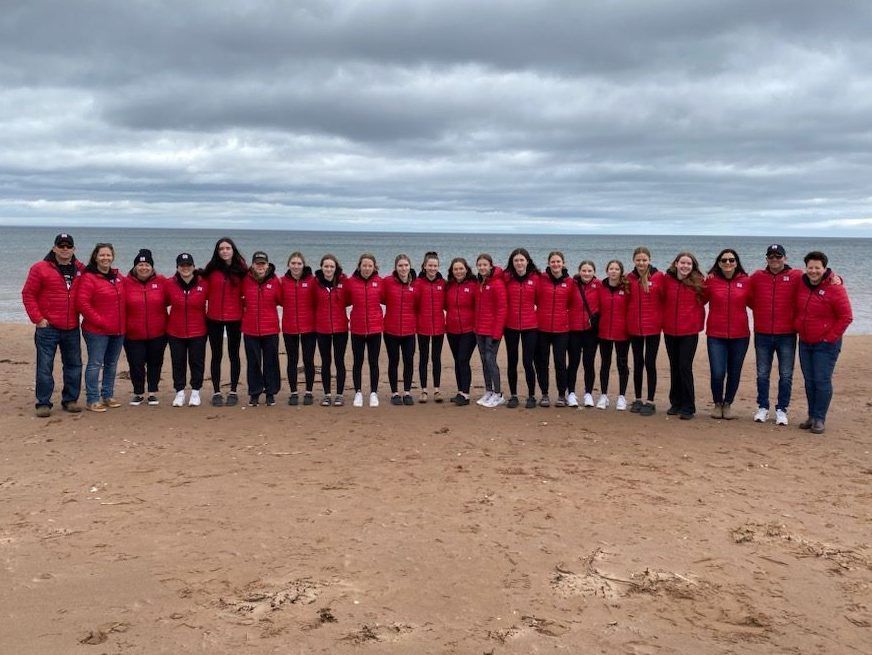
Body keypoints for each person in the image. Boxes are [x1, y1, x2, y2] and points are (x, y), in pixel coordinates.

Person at [22, 233, 85, 416]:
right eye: (61, 246)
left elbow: (99, 279)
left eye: (68, 246)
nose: (65, 249)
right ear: (54, 248)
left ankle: (70, 400)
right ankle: (43, 403)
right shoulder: (40, 268)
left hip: (72, 326)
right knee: (45, 366)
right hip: (47, 327)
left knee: (74, 365)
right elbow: (28, 294)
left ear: (74, 249)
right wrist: (38, 319)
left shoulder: (81, 269)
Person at [794, 251, 853, 434]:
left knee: (821, 380)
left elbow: (846, 317)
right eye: (810, 267)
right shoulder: (802, 283)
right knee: (809, 381)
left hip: (826, 344)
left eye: (817, 268)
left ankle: (819, 419)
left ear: (825, 268)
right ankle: (811, 416)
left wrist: (829, 337)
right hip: (805, 341)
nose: (813, 271)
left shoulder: (835, 288)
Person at [748, 244, 802, 426]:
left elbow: (817, 279)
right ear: (766, 259)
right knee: (762, 373)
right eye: (771, 256)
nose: (774, 259)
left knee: (786, 374)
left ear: (785, 258)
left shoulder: (796, 276)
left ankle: (781, 410)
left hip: (787, 334)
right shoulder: (757, 276)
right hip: (762, 333)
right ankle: (763, 407)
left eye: (778, 255)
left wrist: (836, 278)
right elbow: (746, 296)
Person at [75, 243, 126, 413]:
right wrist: (100, 321)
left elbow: (135, 288)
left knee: (111, 364)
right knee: (95, 363)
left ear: (113, 257)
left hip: (118, 330)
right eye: (102, 255)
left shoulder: (118, 277)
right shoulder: (89, 277)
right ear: (95, 257)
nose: (105, 258)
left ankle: (107, 395)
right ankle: (92, 399)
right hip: (96, 330)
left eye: (108, 255)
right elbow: (82, 303)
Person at [705, 249, 751, 420]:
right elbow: (698, 298)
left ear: (736, 262)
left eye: (731, 260)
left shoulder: (746, 281)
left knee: (734, 372)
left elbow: (758, 302)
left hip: (740, 335)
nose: (728, 263)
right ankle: (717, 403)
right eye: (724, 260)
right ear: (718, 263)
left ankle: (728, 404)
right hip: (716, 335)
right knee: (717, 372)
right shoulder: (711, 281)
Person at [661, 252, 706, 420]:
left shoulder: (699, 282)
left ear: (693, 266)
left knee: (684, 367)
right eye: (683, 263)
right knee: (674, 366)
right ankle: (676, 402)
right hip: (670, 330)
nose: (685, 266)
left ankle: (688, 406)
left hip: (689, 331)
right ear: (676, 263)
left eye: (689, 263)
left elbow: (705, 299)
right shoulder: (667, 280)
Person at [203, 237, 246, 407]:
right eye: (221, 249)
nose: (225, 251)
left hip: (235, 318)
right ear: (217, 251)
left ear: (233, 250)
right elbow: (201, 287)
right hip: (214, 318)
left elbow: (249, 289)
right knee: (216, 355)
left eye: (228, 248)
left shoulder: (241, 269)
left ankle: (233, 391)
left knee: (234, 355)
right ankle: (216, 391)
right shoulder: (211, 269)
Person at [123, 249, 167, 406]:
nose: (144, 268)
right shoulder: (124, 282)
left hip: (158, 332)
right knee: (136, 363)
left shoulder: (162, 282)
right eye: (140, 265)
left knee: (155, 363)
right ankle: (138, 393)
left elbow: (174, 295)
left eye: (147, 264)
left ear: (152, 267)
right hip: (133, 334)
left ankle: (152, 392)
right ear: (135, 267)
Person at [165, 253, 209, 407]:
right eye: (182, 265)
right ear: (177, 267)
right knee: (178, 362)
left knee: (197, 362)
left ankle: (196, 392)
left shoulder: (204, 283)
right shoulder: (169, 283)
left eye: (188, 265)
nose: (185, 268)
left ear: (193, 266)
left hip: (198, 331)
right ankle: (179, 392)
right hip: (175, 331)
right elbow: (160, 302)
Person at [535, 251, 577, 407]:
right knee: (542, 363)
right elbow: (535, 298)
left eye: (558, 261)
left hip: (562, 330)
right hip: (542, 328)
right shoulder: (541, 280)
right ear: (548, 263)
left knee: (560, 362)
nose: (556, 264)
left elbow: (572, 304)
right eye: (553, 261)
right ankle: (544, 394)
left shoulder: (570, 282)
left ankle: (561, 395)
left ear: (563, 263)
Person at [241, 251, 283, 407]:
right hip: (250, 329)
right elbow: (239, 299)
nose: (260, 266)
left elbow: (281, 300)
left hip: (270, 329)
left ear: (267, 265)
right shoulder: (245, 280)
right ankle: (255, 393)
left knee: (271, 362)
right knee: (253, 362)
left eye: (263, 263)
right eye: (257, 263)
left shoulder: (275, 281)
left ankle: (270, 393)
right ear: (252, 265)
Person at [626, 247, 663, 416]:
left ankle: (650, 401)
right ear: (634, 261)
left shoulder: (658, 277)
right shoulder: (629, 278)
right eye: (638, 260)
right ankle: (638, 398)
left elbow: (666, 297)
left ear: (649, 260)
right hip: (634, 327)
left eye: (644, 260)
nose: (641, 263)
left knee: (650, 363)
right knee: (638, 363)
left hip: (653, 327)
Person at [502, 248, 539, 408]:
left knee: (527, 361)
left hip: (530, 325)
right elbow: (493, 273)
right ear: (512, 262)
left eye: (521, 260)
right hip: (510, 326)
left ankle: (531, 396)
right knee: (512, 361)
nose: (519, 263)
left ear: (527, 261)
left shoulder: (536, 278)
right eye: (516, 260)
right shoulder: (506, 277)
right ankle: (514, 396)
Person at [346, 253, 383, 408]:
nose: (367, 268)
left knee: (374, 362)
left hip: (375, 328)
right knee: (358, 362)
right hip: (357, 328)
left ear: (374, 267)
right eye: (364, 265)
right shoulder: (351, 282)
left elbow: (387, 299)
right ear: (359, 266)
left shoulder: (380, 282)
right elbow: (345, 299)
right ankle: (358, 393)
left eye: (370, 265)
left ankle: (373, 393)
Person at [280, 251, 317, 406]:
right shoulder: (281, 281)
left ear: (304, 265)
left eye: (299, 263)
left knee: (309, 360)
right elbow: (277, 299)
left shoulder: (312, 281)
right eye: (293, 263)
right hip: (289, 327)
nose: (296, 266)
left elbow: (319, 298)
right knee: (292, 360)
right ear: (289, 265)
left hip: (309, 326)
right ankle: (294, 392)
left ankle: (309, 391)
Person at [382, 254, 418, 405]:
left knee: (408, 361)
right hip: (391, 329)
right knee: (394, 361)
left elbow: (419, 304)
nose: (403, 268)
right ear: (395, 267)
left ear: (410, 266)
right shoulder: (387, 282)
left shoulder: (416, 283)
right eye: (400, 266)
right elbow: (380, 298)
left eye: (406, 265)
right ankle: (395, 393)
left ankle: (407, 392)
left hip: (409, 330)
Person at [313, 254, 348, 406]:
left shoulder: (343, 282)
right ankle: (327, 394)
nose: (328, 269)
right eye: (326, 266)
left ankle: (339, 394)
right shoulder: (315, 284)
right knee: (326, 362)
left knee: (339, 361)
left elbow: (350, 300)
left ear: (336, 268)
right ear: (321, 267)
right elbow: (311, 303)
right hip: (322, 328)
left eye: (331, 266)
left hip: (341, 328)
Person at [596, 260, 630, 410]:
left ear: (621, 271)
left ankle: (622, 397)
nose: (614, 271)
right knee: (605, 363)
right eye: (611, 268)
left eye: (617, 269)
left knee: (622, 364)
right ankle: (603, 395)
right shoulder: (600, 288)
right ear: (607, 270)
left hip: (622, 333)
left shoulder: (627, 289)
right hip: (604, 332)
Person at [474, 253, 507, 407]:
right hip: (479, 329)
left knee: (490, 360)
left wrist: (497, 332)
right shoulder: (480, 282)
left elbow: (502, 309)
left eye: (484, 265)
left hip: (492, 330)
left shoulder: (497, 283)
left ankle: (498, 393)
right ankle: (489, 391)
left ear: (491, 266)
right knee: (484, 360)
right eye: (479, 265)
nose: (482, 267)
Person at [444, 257, 477, 406]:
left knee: (463, 359)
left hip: (469, 330)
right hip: (452, 329)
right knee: (457, 360)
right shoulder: (448, 286)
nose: (458, 271)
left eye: (461, 268)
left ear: (466, 269)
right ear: (452, 271)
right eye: (455, 269)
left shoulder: (473, 285)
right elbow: (445, 305)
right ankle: (460, 391)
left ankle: (466, 394)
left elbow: (480, 306)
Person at [567, 260, 600, 408]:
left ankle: (588, 394)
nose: (586, 273)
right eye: (584, 271)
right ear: (579, 271)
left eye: (589, 271)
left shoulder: (599, 285)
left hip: (591, 331)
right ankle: (571, 393)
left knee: (589, 363)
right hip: (573, 330)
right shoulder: (572, 284)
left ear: (594, 272)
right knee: (573, 362)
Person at [414, 252, 446, 404]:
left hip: (439, 326)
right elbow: (414, 305)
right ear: (424, 266)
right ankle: (424, 390)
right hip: (422, 327)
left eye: (435, 265)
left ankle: (437, 390)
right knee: (424, 358)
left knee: (436, 358)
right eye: (430, 265)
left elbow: (447, 303)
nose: (433, 268)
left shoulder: (443, 283)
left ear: (438, 267)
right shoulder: (418, 283)